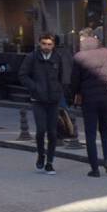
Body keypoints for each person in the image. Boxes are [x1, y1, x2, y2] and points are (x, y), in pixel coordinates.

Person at [70, 34, 107, 178]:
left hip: (89, 101)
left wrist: (73, 96)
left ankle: (94, 169)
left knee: (90, 134)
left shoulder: (79, 58)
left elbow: (74, 81)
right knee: (105, 130)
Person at [19, 32, 67, 174]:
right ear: (39, 44)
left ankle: (50, 162)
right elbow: (22, 75)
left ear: (53, 45)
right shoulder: (32, 57)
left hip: (53, 100)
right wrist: (34, 87)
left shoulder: (57, 58)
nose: (46, 47)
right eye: (44, 44)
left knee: (52, 132)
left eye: (49, 44)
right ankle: (41, 154)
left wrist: (59, 91)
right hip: (38, 99)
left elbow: (61, 77)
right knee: (41, 130)